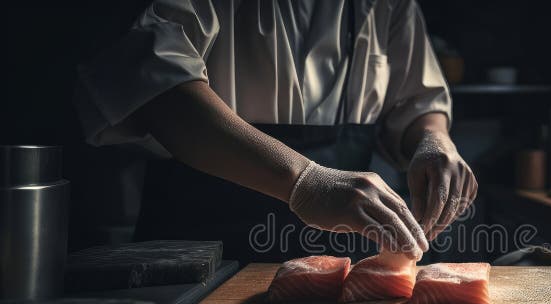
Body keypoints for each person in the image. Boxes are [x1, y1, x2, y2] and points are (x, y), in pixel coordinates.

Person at [75, 0, 477, 262]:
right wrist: (304, 180)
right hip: (201, 248)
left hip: (339, 254)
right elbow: (156, 85)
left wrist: (434, 140)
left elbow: (416, 104)